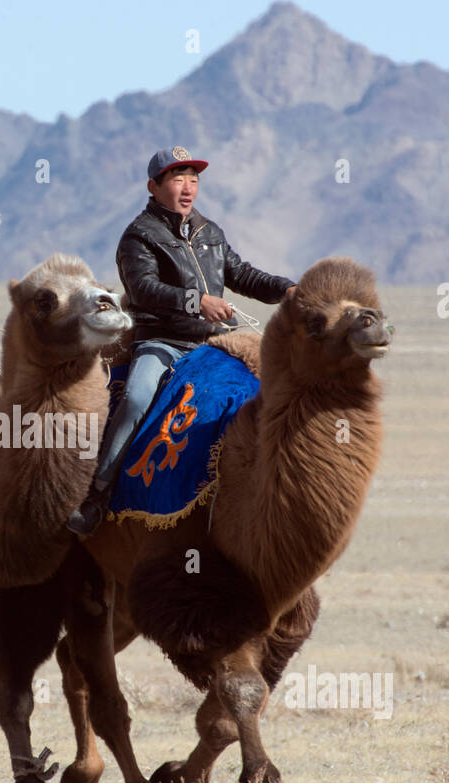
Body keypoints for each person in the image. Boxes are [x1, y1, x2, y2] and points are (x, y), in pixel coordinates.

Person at [67, 147, 297, 535]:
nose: (188, 187)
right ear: (153, 186)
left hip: (213, 344)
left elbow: (242, 274)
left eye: (193, 179)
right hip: (163, 342)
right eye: (177, 179)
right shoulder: (139, 236)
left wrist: (287, 290)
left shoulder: (210, 232)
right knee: (137, 399)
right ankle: (97, 495)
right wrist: (196, 302)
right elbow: (142, 288)